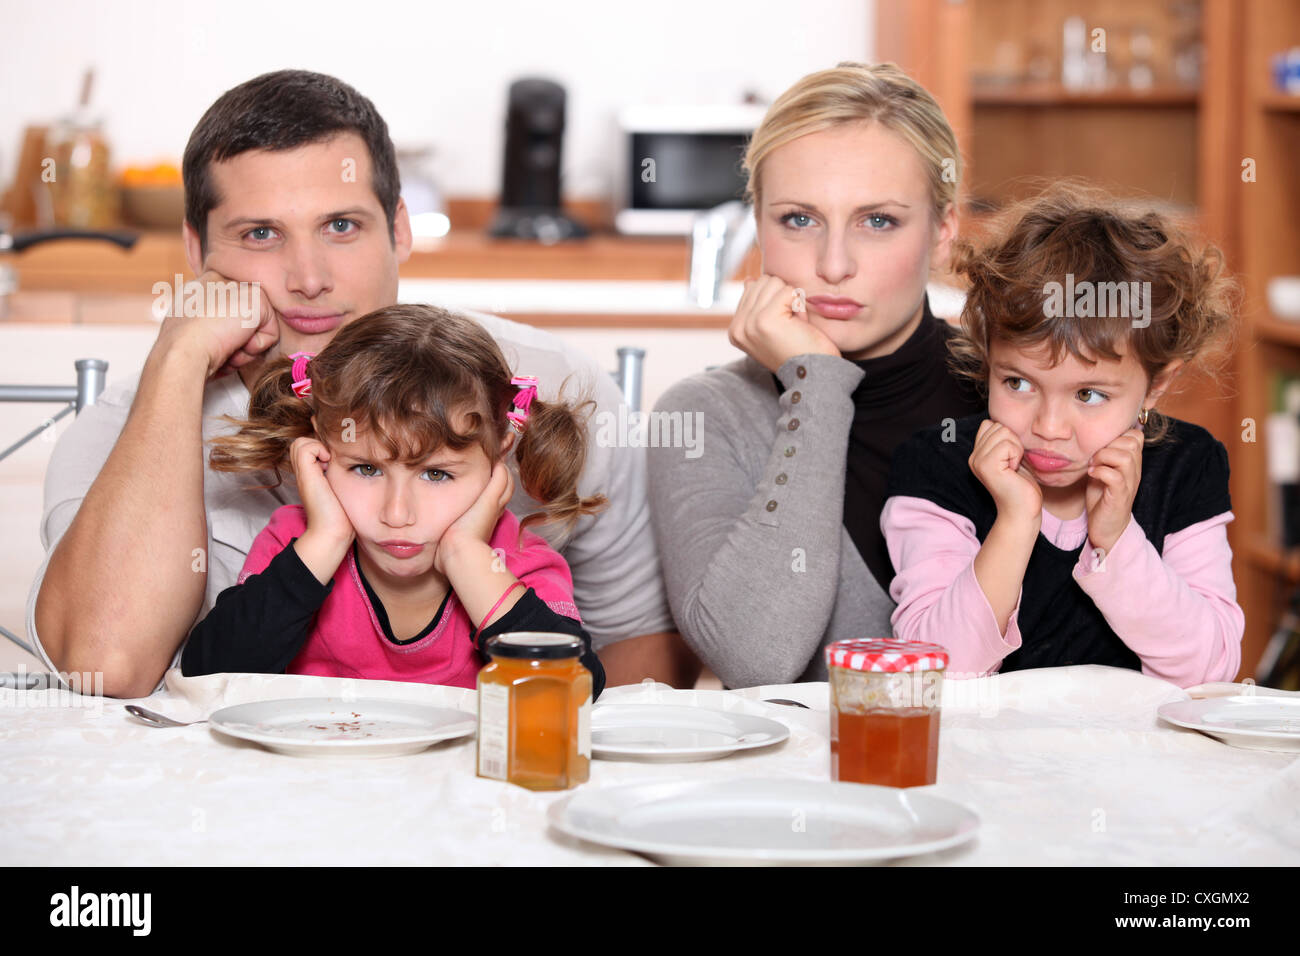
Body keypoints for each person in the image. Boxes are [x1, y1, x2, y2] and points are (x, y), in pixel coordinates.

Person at [29, 70, 690, 698]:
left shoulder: (546, 383)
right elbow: (106, 667)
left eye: (341, 226)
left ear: (399, 229)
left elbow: (638, 647)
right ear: (198, 253)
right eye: (261, 234)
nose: (309, 277)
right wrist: (176, 364)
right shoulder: (125, 431)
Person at [646, 62, 983, 689]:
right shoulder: (700, 418)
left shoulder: (1018, 396)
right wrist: (818, 384)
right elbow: (754, 659)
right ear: (760, 227)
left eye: (877, 221)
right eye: (799, 219)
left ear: (942, 232)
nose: (833, 265)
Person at [882, 183, 1243, 687]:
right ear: (988, 359)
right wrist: (1015, 520)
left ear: (1156, 386)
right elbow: (931, 673)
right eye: (1017, 383)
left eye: (1089, 395)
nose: (1048, 429)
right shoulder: (936, 464)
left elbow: (1210, 670)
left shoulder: (1188, 464)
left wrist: (1117, 540)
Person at [180, 304, 606, 697]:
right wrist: (325, 540)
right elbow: (208, 675)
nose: (396, 513)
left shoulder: (514, 564)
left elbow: (573, 691)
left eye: (436, 474)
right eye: (366, 470)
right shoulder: (297, 545)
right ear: (320, 449)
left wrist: (466, 556)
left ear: (498, 457)